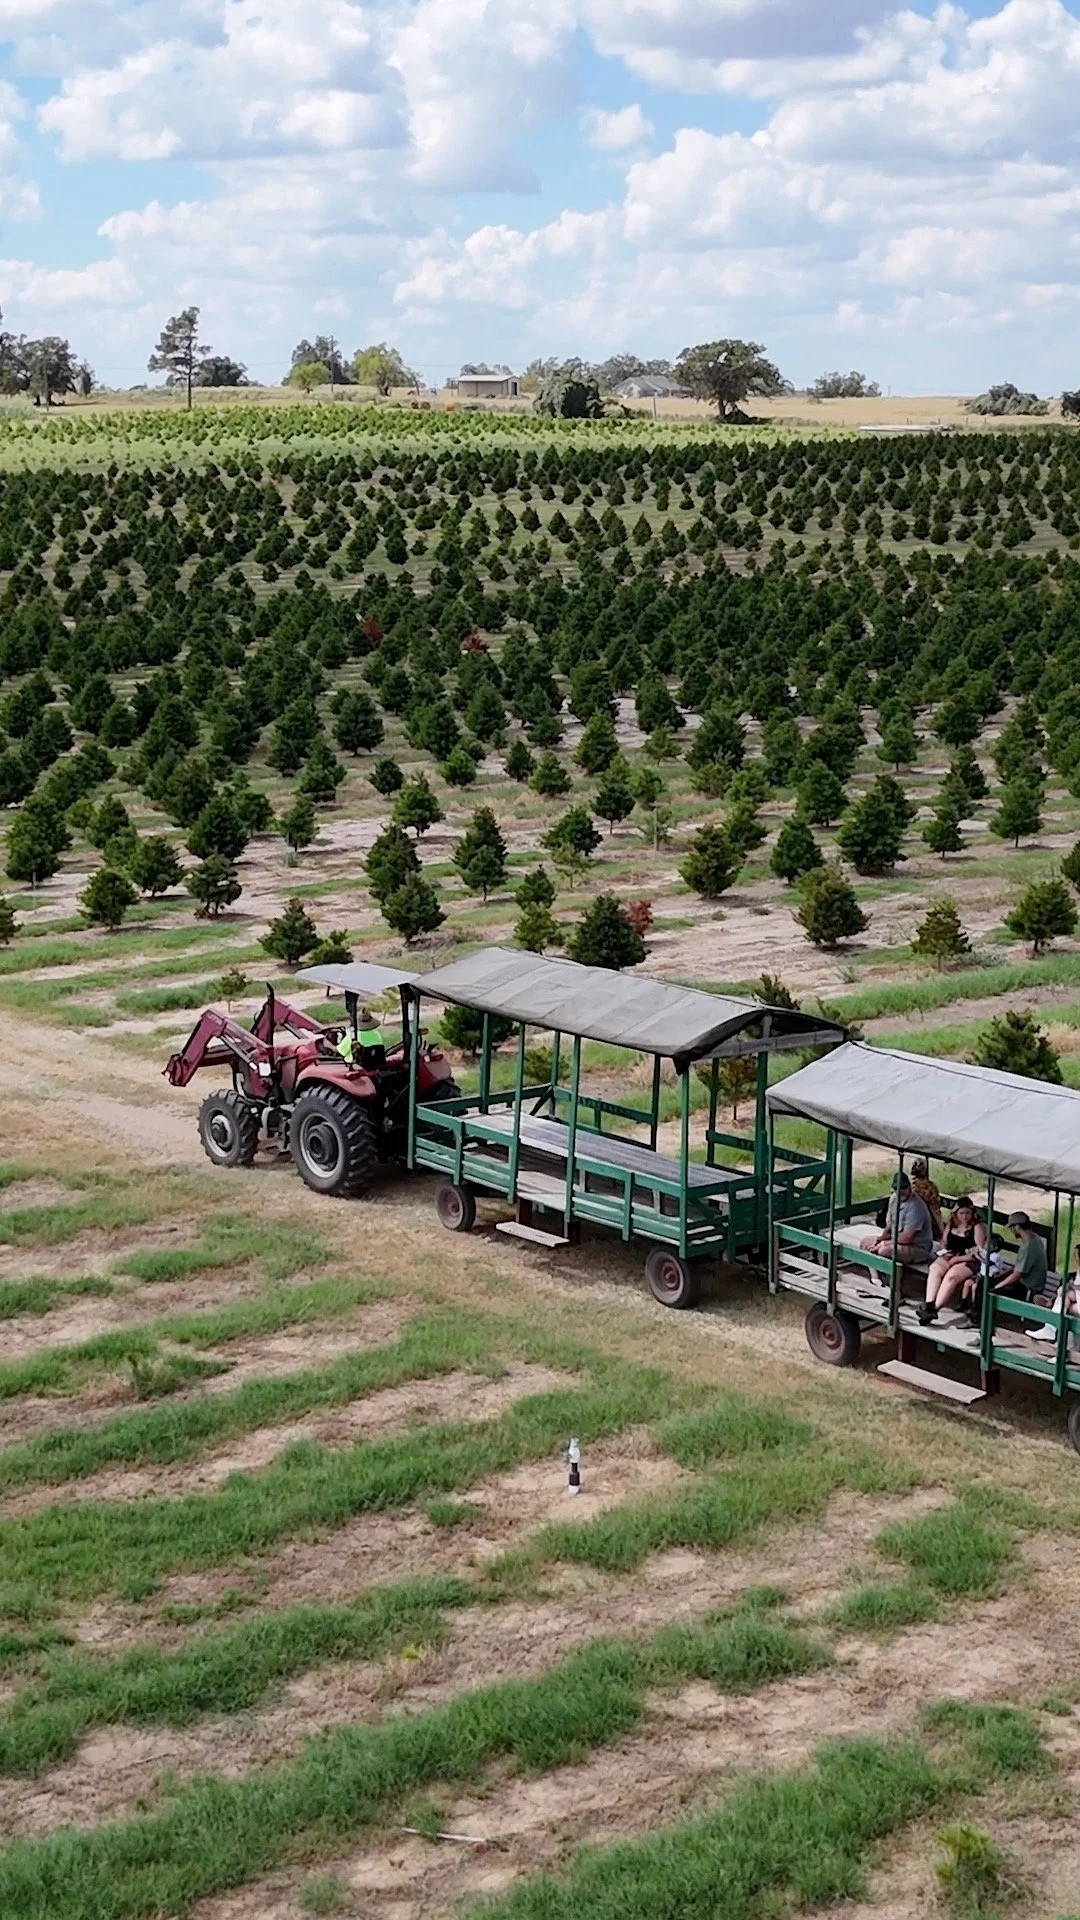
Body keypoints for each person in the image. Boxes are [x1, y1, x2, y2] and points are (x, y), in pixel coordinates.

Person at [960, 1211, 1048, 1328]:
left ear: (1017, 1227)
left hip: (1028, 1287)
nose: (1011, 1232)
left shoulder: (1028, 1246)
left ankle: (979, 1322)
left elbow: (1017, 1275)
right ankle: (974, 1313)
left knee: (988, 1290)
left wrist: (998, 1285)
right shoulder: (1034, 1238)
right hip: (1026, 1280)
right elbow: (1019, 1268)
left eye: (1012, 1228)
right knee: (984, 1281)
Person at [917, 1197, 986, 1324]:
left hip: (969, 1259)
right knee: (935, 1269)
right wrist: (945, 1251)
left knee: (951, 1277)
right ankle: (929, 1303)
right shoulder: (951, 1224)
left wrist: (957, 1259)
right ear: (956, 1213)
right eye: (961, 1213)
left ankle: (934, 1309)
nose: (964, 1217)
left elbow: (979, 1252)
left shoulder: (977, 1227)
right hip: (951, 1254)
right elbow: (944, 1242)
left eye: (967, 1213)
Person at [860, 1172, 935, 1272]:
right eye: (897, 1189)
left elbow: (907, 1238)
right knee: (865, 1242)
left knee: (884, 1250)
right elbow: (890, 1225)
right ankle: (875, 1278)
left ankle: (892, 1278)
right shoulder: (894, 1200)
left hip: (917, 1247)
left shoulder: (916, 1206)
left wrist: (885, 1243)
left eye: (904, 1188)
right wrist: (880, 1238)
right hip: (897, 1241)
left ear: (909, 1188)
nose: (901, 1192)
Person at [909, 1156, 945, 1241]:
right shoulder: (930, 1187)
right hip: (927, 1224)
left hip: (910, 1220)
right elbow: (935, 1211)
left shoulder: (910, 1185)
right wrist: (943, 1232)